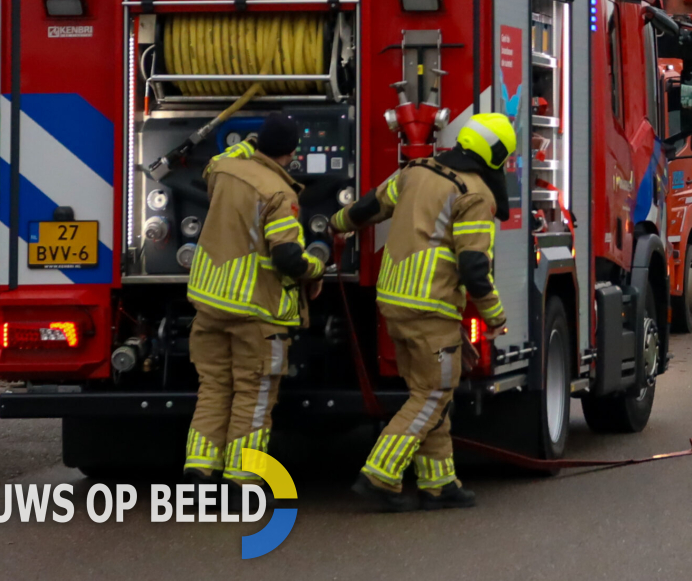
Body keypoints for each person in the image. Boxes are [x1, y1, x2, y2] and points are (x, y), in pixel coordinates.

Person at [332, 113, 515, 512]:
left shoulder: (416, 170)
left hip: (394, 300)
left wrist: (337, 224)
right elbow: (473, 267)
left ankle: (439, 482)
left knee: (431, 391)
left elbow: (369, 206)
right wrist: (496, 316)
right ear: (497, 155)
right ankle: (380, 473)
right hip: (430, 306)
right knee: (433, 393)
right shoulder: (475, 194)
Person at [183, 113, 327, 485]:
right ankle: (241, 479)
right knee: (254, 394)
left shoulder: (223, 169)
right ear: (293, 152)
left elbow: (215, 161)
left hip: (209, 305)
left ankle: (199, 469)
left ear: (258, 143)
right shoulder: (280, 193)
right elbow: (287, 257)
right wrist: (316, 268)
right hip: (254, 312)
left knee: (214, 388)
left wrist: (249, 143)